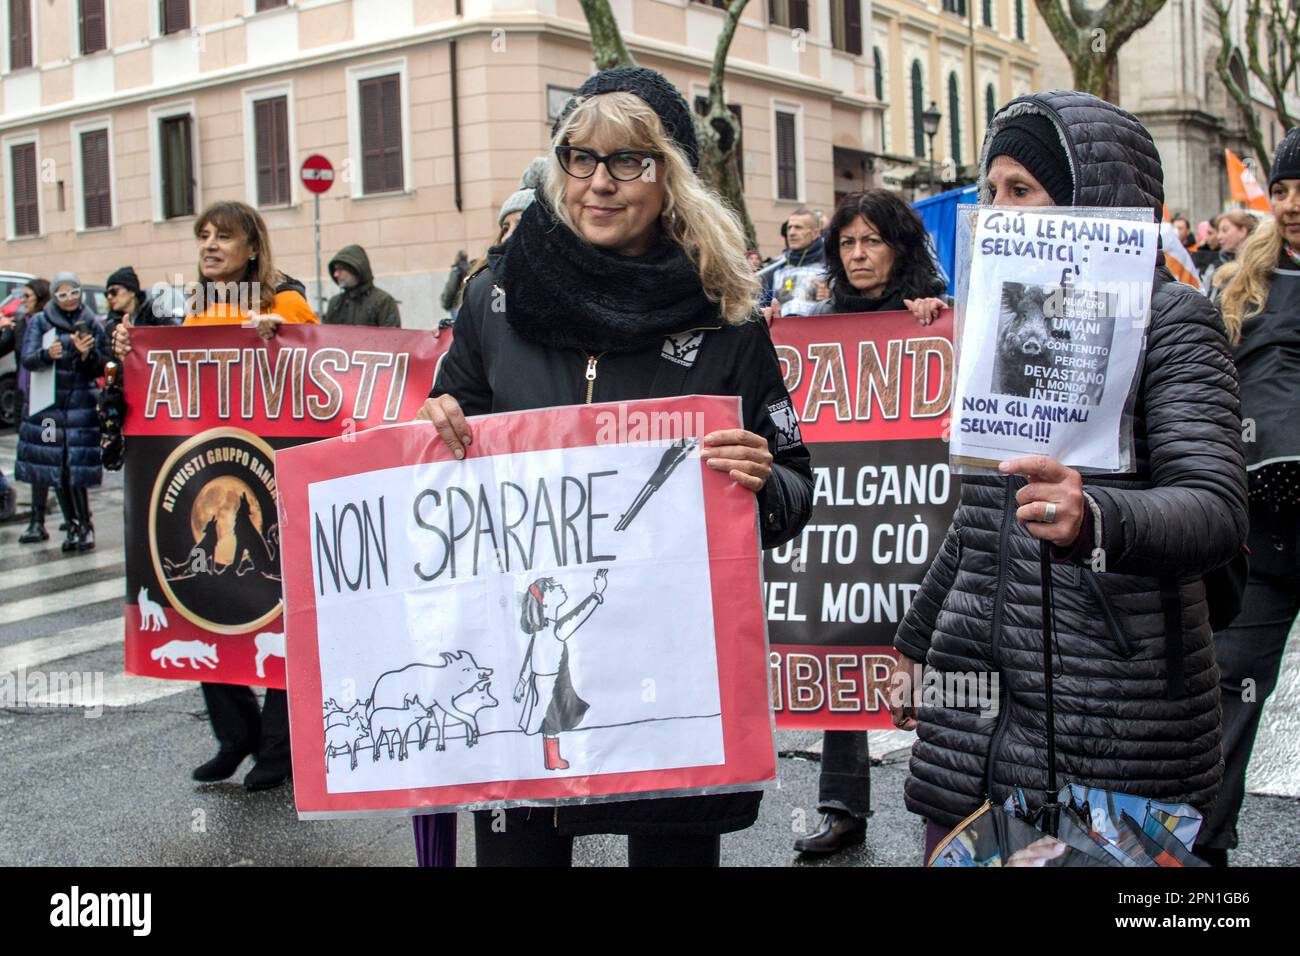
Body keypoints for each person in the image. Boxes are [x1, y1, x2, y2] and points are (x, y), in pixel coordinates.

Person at [420, 66, 813, 867]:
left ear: (669, 178)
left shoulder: (727, 319)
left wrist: (762, 482)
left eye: (628, 161)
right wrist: (436, 430)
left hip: (668, 673)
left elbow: (798, 487)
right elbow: (442, 436)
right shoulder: (494, 298)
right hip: (521, 665)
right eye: (579, 157)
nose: (598, 183)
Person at [888, 94, 1249, 863]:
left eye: (1023, 189)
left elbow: (1216, 508)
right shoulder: (1003, 319)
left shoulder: (1174, 320)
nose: (1001, 210)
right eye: (991, 193)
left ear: (1098, 200)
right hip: (973, 716)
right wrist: (916, 646)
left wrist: (1097, 519)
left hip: (1115, 722)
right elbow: (980, 519)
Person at [113, 200, 319, 791]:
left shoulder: (285, 304)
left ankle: (280, 750)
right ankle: (236, 736)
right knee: (205, 600)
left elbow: (321, 375)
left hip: (272, 481)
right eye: (202, 235)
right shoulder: (191, 314)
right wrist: (132, 353)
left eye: (223, 236)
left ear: (252, 247)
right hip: (211, 478)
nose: (209, 245)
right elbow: (166, 388)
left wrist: (286, 341)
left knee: (277, 610)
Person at [780, 188, 947, 856]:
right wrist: (776, 327)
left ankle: (956, 802)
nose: (857, 255)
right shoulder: (814, 321)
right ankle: (842, 805)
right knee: (840, 642)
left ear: (898, 247)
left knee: (941, 656)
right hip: (846, 516)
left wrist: (937, 321)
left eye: (871, 241)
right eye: (847, 243)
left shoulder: (933, 315)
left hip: (921, 516)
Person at [1196, 127, 1300, 866]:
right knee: (1229, 696)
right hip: (1261, 533)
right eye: (1286, 189)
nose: (1292, 204)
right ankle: (1201, 857)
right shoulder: (1242, 285)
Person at [15, 274, 107, 553]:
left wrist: (86, 354)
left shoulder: (90, 321)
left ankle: (85, 526)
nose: (70, 299)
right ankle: (71, 524)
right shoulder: (41, 322)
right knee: (56, 466)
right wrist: (47, 354)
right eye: (63, 294)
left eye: (74, 292)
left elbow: (103, 363)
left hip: (80, 404)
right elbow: (27, 359)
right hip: (48, 408)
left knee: (76, 466)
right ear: (54, 297)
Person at [763, 208, 828, 316]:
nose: (791, 233)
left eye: (798, 227)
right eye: (789, 228)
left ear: (815, 233)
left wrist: (830, 299)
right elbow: (764, 304)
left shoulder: (830, 264)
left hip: (819, 329)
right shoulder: (775, 267)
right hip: (781, 331)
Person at [323, 245, 401, 327]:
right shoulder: (335, 303)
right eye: (335, 269)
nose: (335, 274)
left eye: (340, 269)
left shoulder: (382, 301)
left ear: (354, 270)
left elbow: (392, 337)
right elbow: (328, 336)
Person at [1202, 210, 1259, 290]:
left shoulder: (1260, 265)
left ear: (1242, 231)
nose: (1219, 236)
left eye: (1225, 230)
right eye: (1218, 231)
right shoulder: (1217, 265)